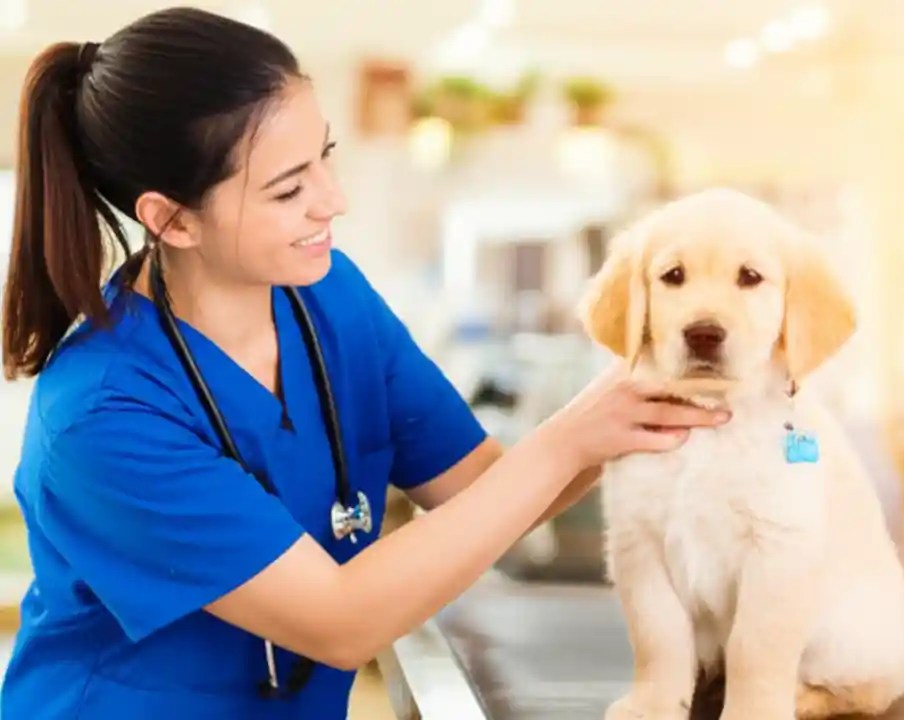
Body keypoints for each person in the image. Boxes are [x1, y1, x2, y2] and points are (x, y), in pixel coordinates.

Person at [0, 8, 727, 719]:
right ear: (171, 220)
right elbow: (341, 622)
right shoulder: (103, 414)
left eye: (325, 156)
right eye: (288, 189)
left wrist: (651, 401)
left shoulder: (330, 300)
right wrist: (573, 436)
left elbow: (481, 490)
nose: (333, 201)